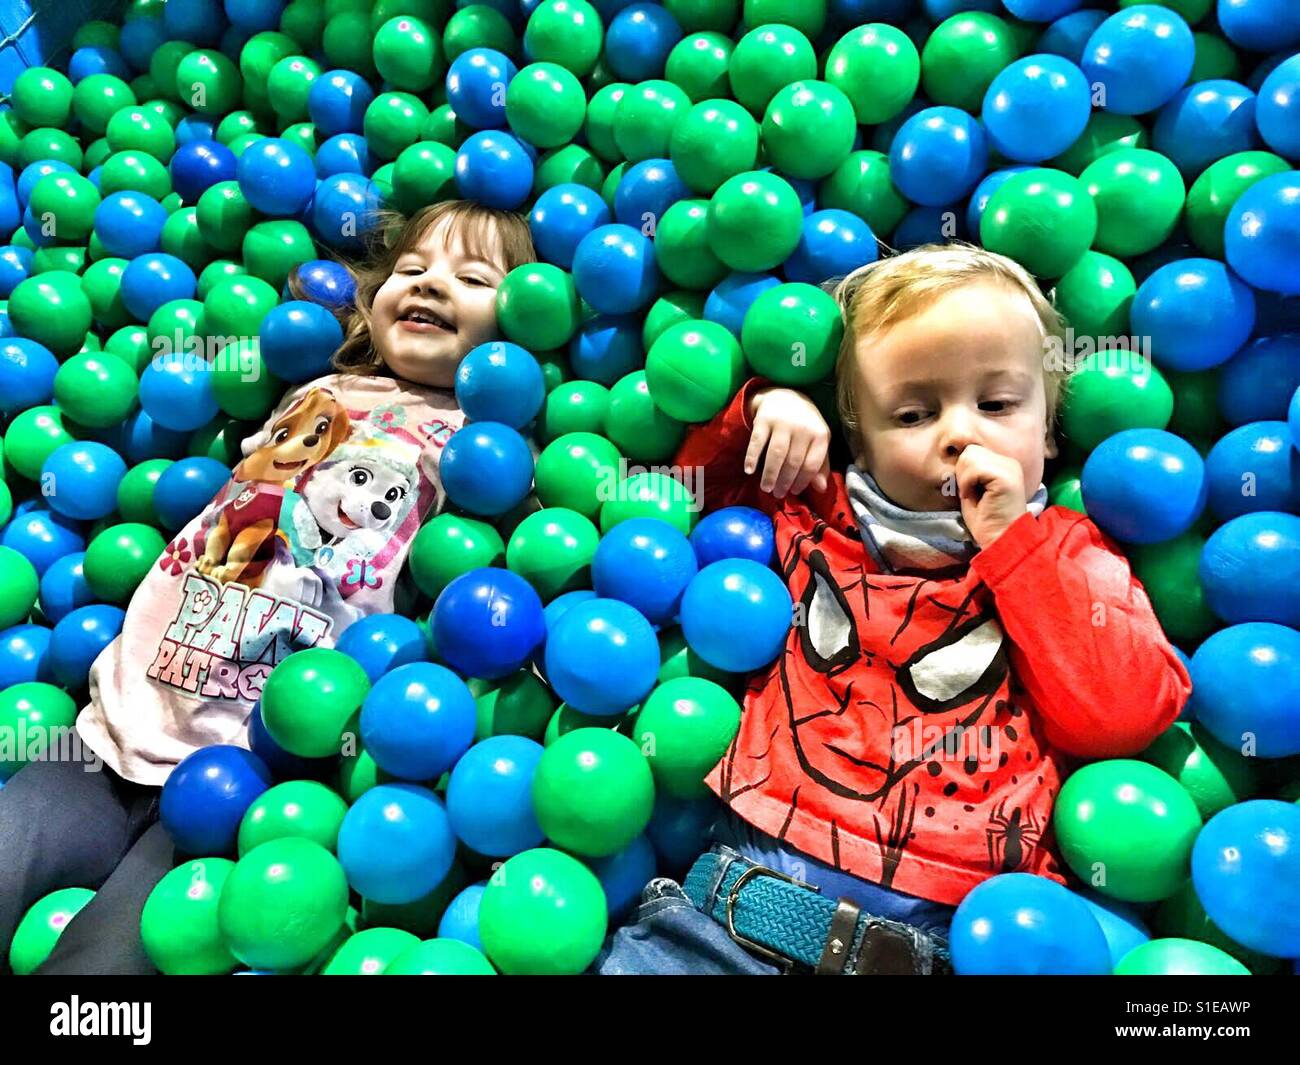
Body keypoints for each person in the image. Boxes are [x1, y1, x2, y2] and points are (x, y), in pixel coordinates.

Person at [596, 242, 1191, 975]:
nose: (960, 434)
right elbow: (684, 492)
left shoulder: (1066, 549)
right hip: (729, 922)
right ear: (860, 440)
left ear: (1048, 426)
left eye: (997, 404)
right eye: (913, 413)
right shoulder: (816, 508)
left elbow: (1120, 716)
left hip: (951, 945)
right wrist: (763, 411)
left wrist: (1015, 547)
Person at [0, 200, 536, 975]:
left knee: (105, 973)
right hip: (114, 721)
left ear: (522, 324)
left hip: (249, 774)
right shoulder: (320, 388)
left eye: (473, 278)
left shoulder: (482, 446)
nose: (430, 284)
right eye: (413, 269)